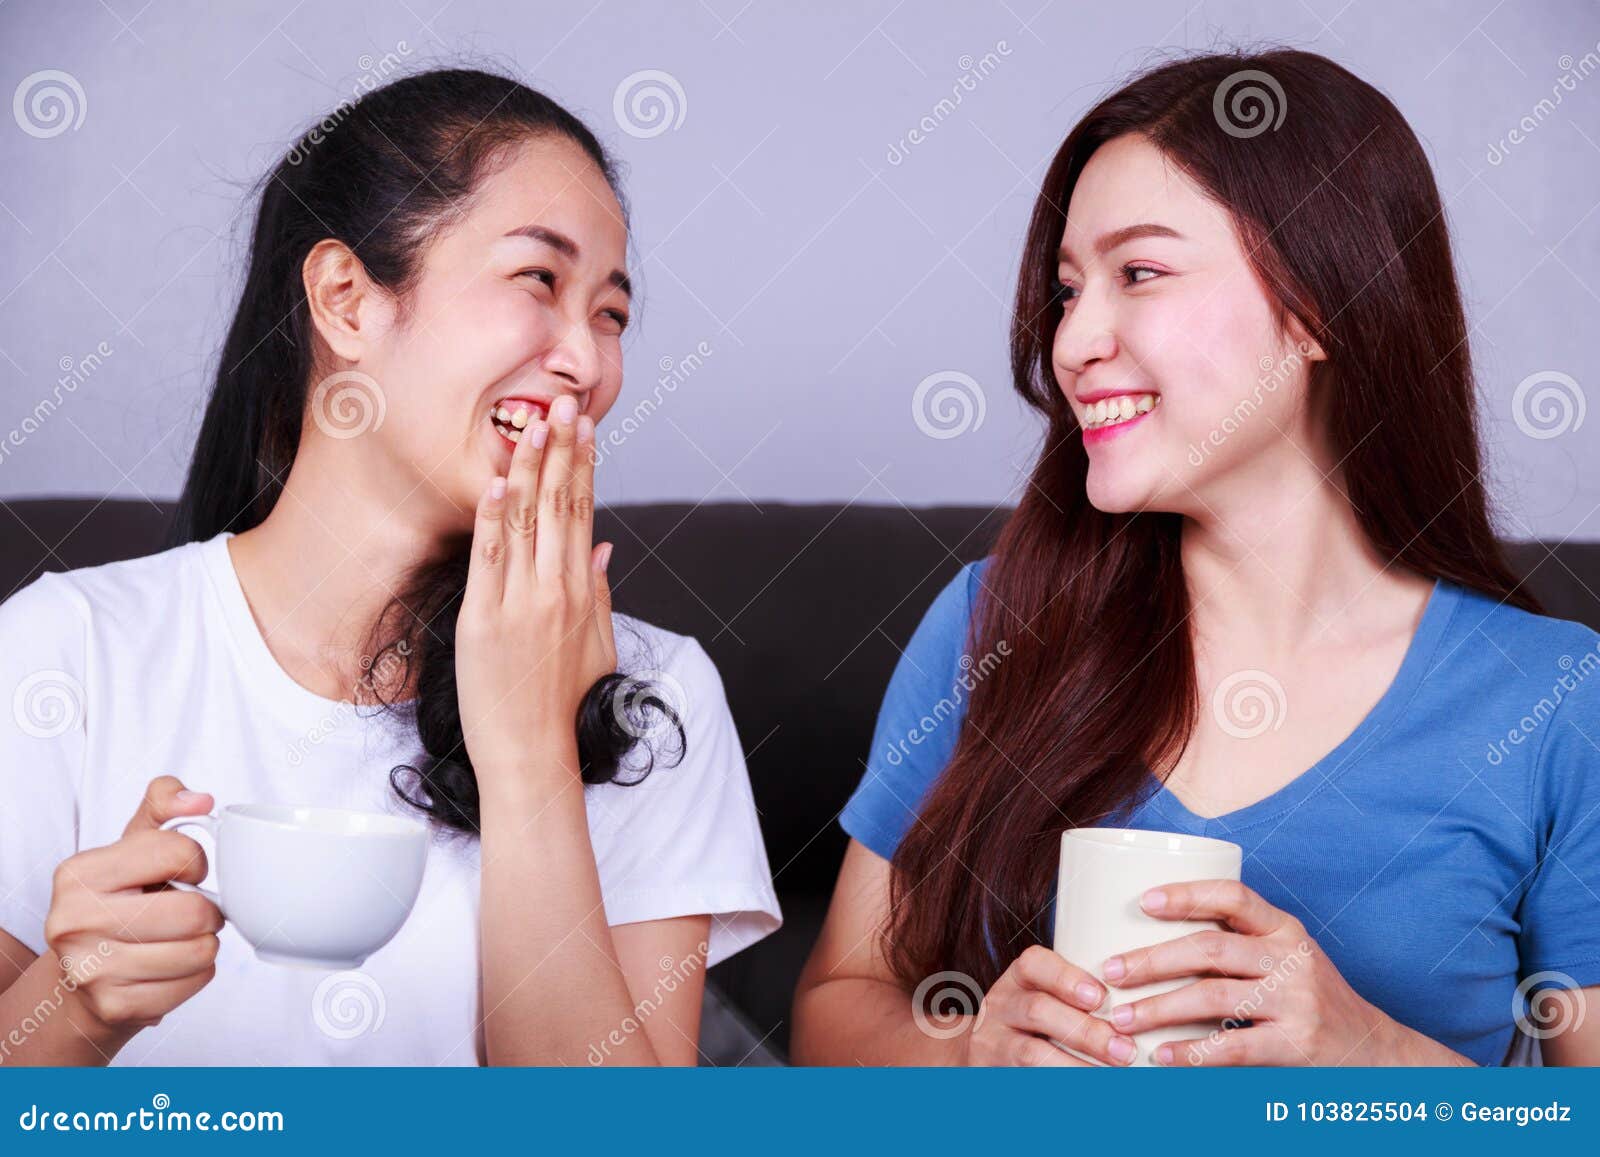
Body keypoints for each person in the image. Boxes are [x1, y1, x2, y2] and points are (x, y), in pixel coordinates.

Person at [792, 49, 1600, 1067]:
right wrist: (970, 1055)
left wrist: (1373, 1052)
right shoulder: (990, 623)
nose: (1072, 341)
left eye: (1139, 272)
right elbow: (834, 1008)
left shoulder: (1556, 699)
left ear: (1318, 302)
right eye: (1068, 288)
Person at [0, 68, 779, 1066]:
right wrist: (71, 1006)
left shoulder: (649, 697)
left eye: (613, 313)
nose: (588, 361)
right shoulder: (70, 649)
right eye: (539, 280)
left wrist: (531, 752)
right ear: (345, 299)